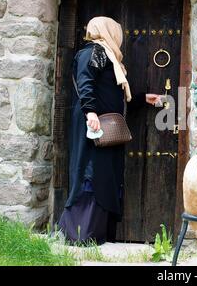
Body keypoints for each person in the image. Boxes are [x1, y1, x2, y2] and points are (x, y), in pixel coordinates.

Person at [57, 16, 161, 245]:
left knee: (104, 175)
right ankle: (79, 233)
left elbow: (113, 95)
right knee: (91, 172)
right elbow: (85, 82)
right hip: (94, 125)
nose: (119, 37)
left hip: (105, 128)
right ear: (107, 31)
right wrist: (91, 113)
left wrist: (143, 98)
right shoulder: (94, 52)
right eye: (116, 32)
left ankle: (96, 234)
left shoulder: (108, 56)